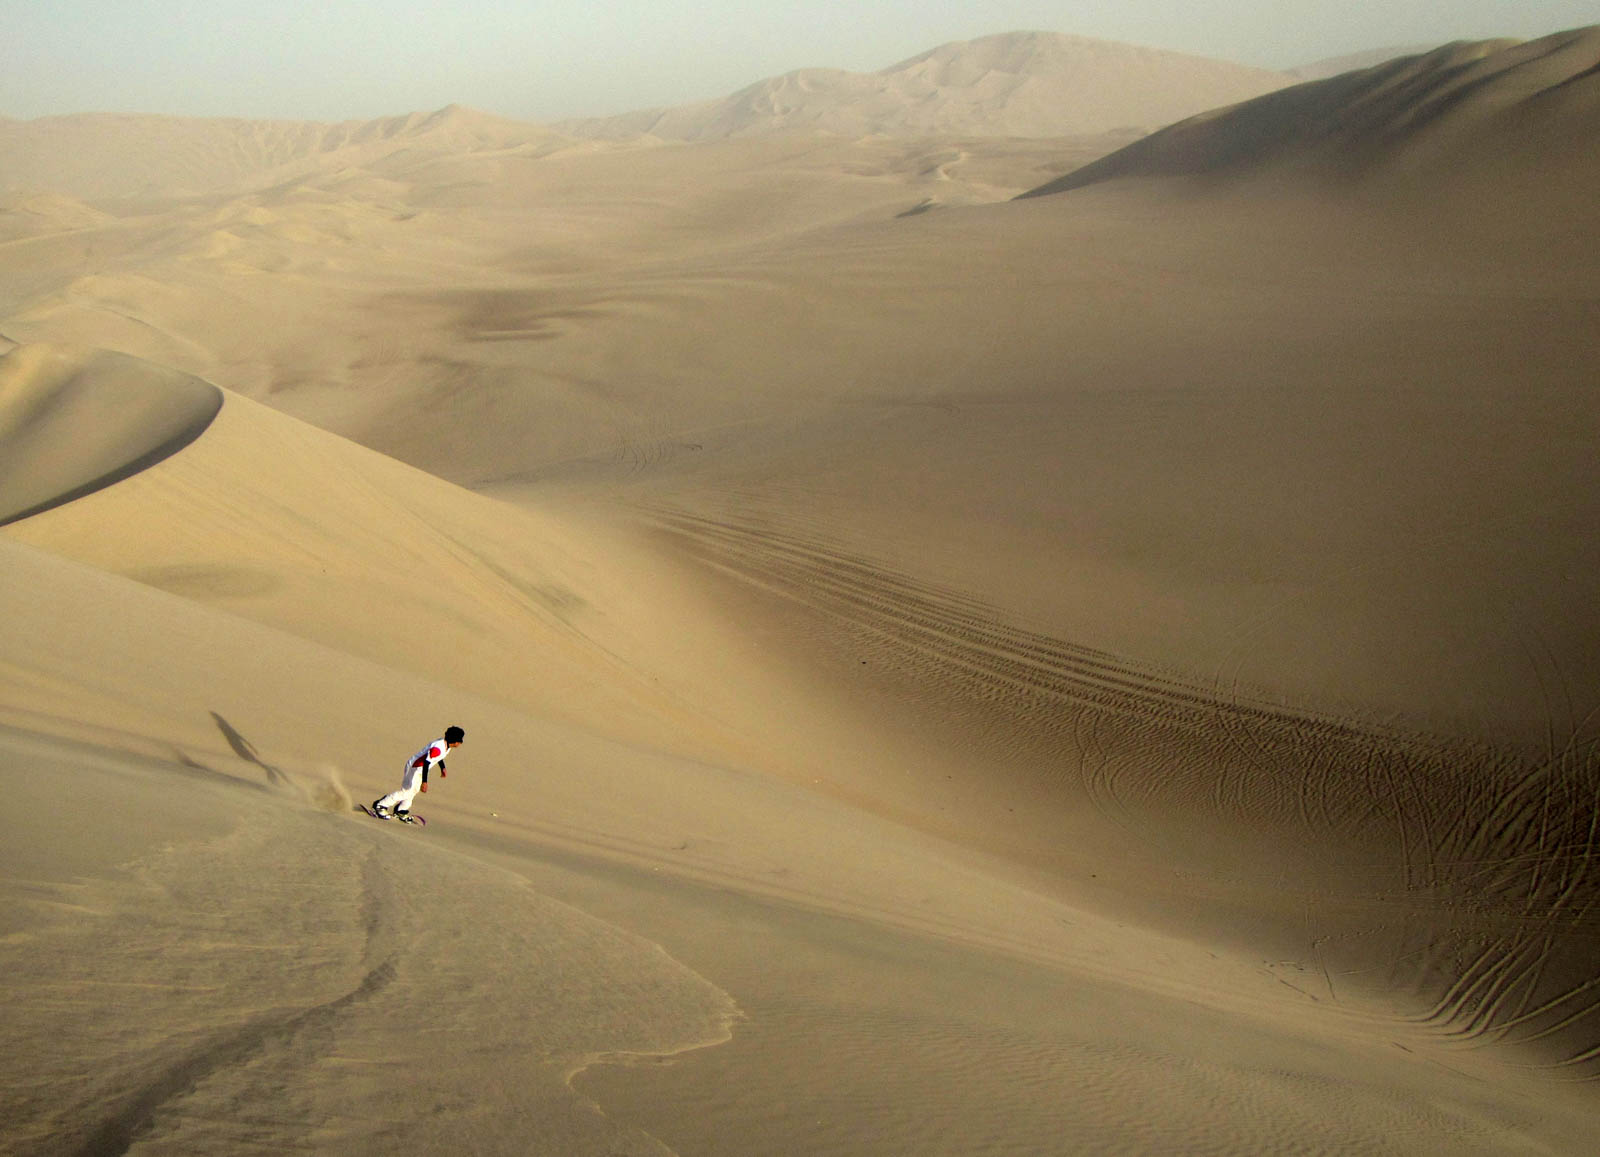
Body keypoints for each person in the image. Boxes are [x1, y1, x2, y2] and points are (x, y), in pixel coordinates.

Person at [373, 726, 464, 821]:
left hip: (419, 770)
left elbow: (439, 758)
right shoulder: (438, 748)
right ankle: (381, 805)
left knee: (413, 791)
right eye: (460, 740)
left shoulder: (446, 745)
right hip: (415, 768)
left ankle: (401, 810)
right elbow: (426, 762)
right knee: (406, 791)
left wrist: (442, 768)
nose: (460, 743)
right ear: (455, 741)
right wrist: (425, 782)